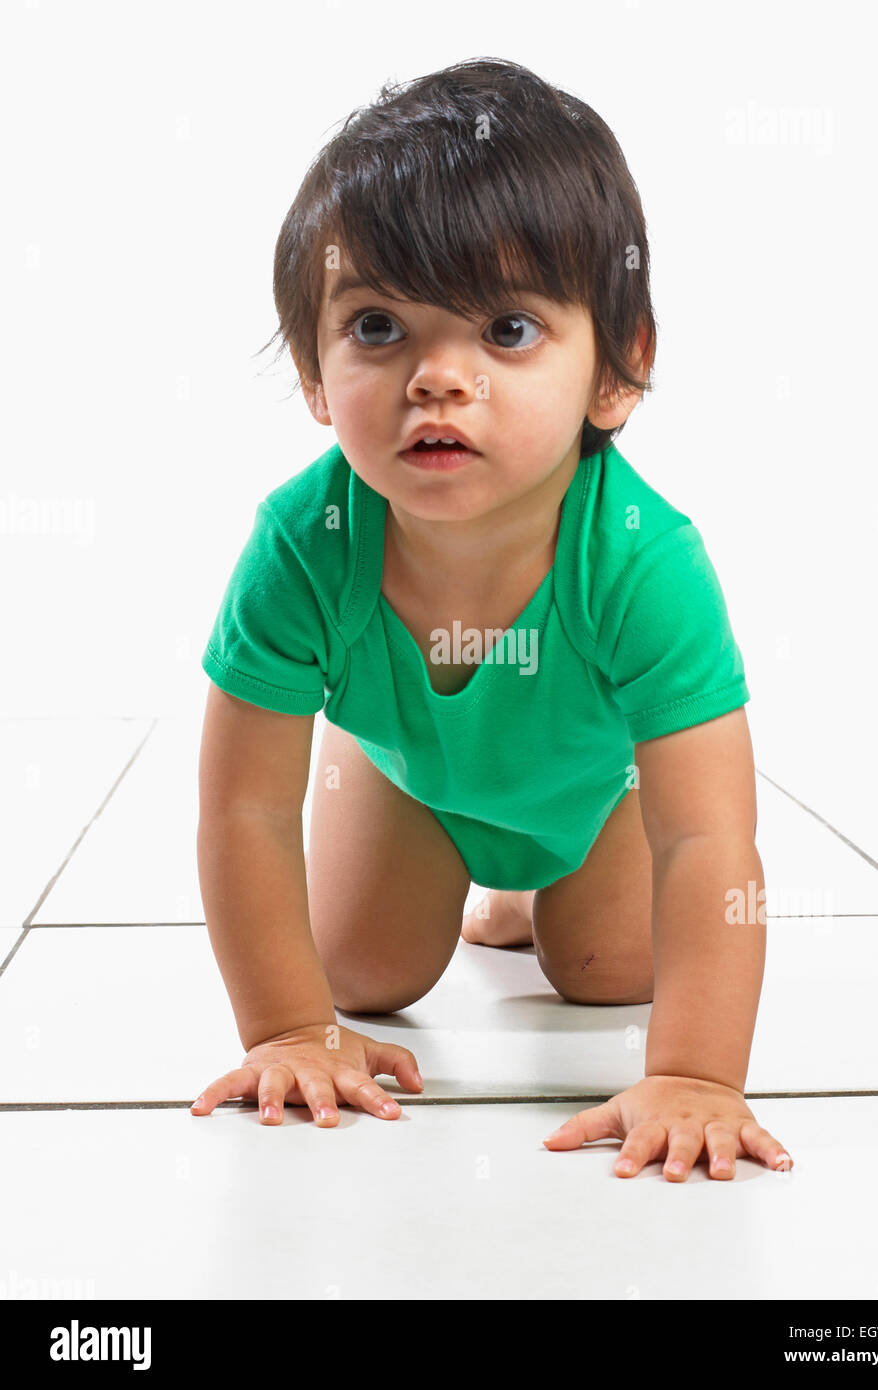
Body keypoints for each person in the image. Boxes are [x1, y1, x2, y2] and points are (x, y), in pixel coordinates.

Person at [191, 57, 793, 1183]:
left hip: (591, 794)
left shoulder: (645, 565)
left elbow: (709, 838)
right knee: (357, 970)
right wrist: (288, 1029)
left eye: (507, 331)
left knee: (610, 967)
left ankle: (524, 888)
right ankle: (440, 834)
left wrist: (700, 1075)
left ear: (618, 371)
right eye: (378, 327)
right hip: (410, 774)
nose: (437, 378)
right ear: (316, 379)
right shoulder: (300, 546)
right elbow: (246, 809)